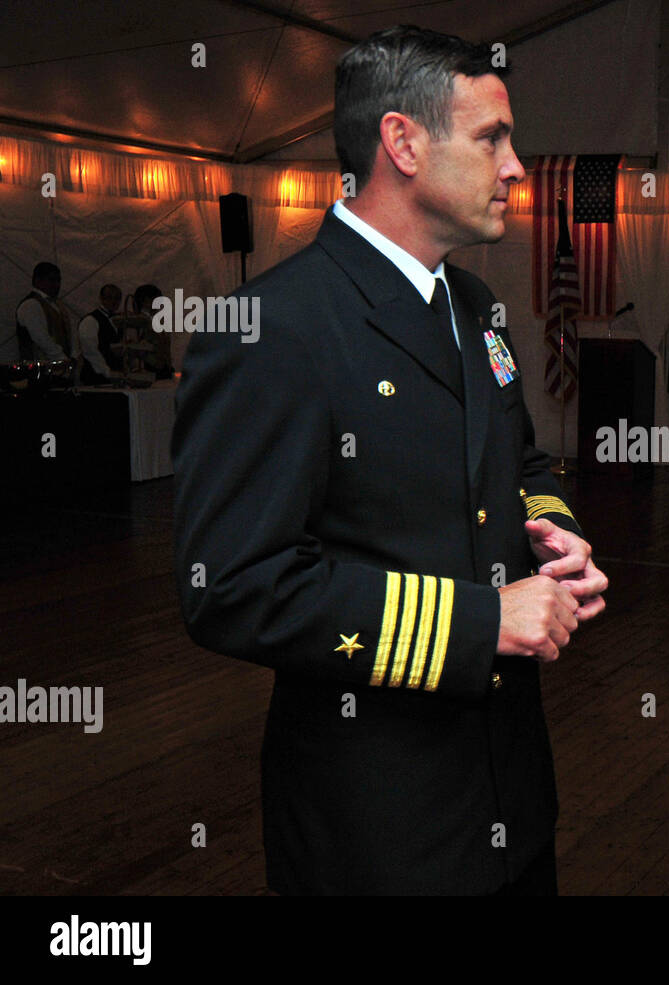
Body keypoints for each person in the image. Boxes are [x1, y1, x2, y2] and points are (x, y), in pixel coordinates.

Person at [173, 25, 607, 895]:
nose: (517, 167)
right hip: (377, 827)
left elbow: (518, 460)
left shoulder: (475, 304)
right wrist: (482, 622)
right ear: (402, 143)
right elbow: (229, 583)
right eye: (492, 138)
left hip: (512, 798)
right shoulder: (277, 327)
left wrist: (555, 537)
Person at [6, 262, 73, 363]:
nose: (57, 285)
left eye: (58, 281)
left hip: (57, 368)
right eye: (51, 280)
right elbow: (42, 339)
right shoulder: (31, 305)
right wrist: (63, 359)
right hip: (39, 370)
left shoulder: (57, 304)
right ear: (38, 281)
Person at [76, 284, 125, 385]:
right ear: (101, 299)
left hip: (114, 377)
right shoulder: (90, 320)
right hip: (95, 377)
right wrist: (107, 372)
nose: (114, 301)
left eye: (117, 298)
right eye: (110, 297)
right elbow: (90, 351)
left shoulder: (119, 321)